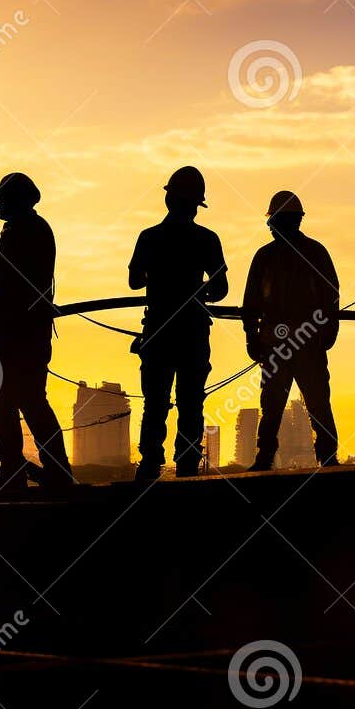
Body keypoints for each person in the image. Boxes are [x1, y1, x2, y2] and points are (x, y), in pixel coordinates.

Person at [0, 173, 74, 490]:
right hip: (21, 331)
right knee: (24, 399)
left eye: (2, 201)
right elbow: (6, 287)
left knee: (16, 399)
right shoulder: (26, 229)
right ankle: (47, 470)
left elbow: (12, 287)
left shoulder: (25, 231)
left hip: (20, 334)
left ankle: (19, 471)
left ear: (15, 200)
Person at [128, 166, 228, 481]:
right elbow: (221, 288)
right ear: (196, 205)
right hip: (192, 333)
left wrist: (159, 279)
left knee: (155, 402)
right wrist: (197, 290)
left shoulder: (149, 237)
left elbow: (134, 281)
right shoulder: (207, 239)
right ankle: (187, 464)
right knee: (191, 402)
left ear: (169, 199)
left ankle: (149, 463)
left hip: (158, 331)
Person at [241, 191, 340, 470]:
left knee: (298, 401)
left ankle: (269, 457)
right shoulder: (311, 253)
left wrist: (252, 337)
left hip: (287, 342)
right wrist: (327, 333)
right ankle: (324, 455)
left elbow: (251, 302)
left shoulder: (271, 256)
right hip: (300, 341)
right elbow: (331, 297)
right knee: (301, 402)